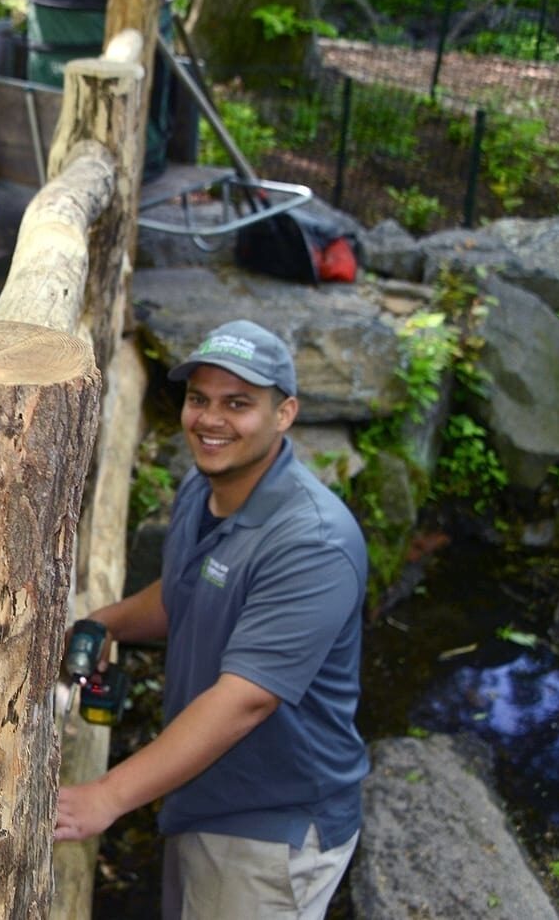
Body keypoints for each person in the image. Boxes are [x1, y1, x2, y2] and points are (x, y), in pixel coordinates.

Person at [54, 320, 369, 920]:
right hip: (201, 793)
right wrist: (107, 623)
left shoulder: (313, 545)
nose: (210, 419)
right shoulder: (206, 488)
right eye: (199, 399)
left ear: (285, 413)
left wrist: (108, 795)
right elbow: (183, 596)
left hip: (270, 827)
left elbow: (245, 701)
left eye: (238, 404)